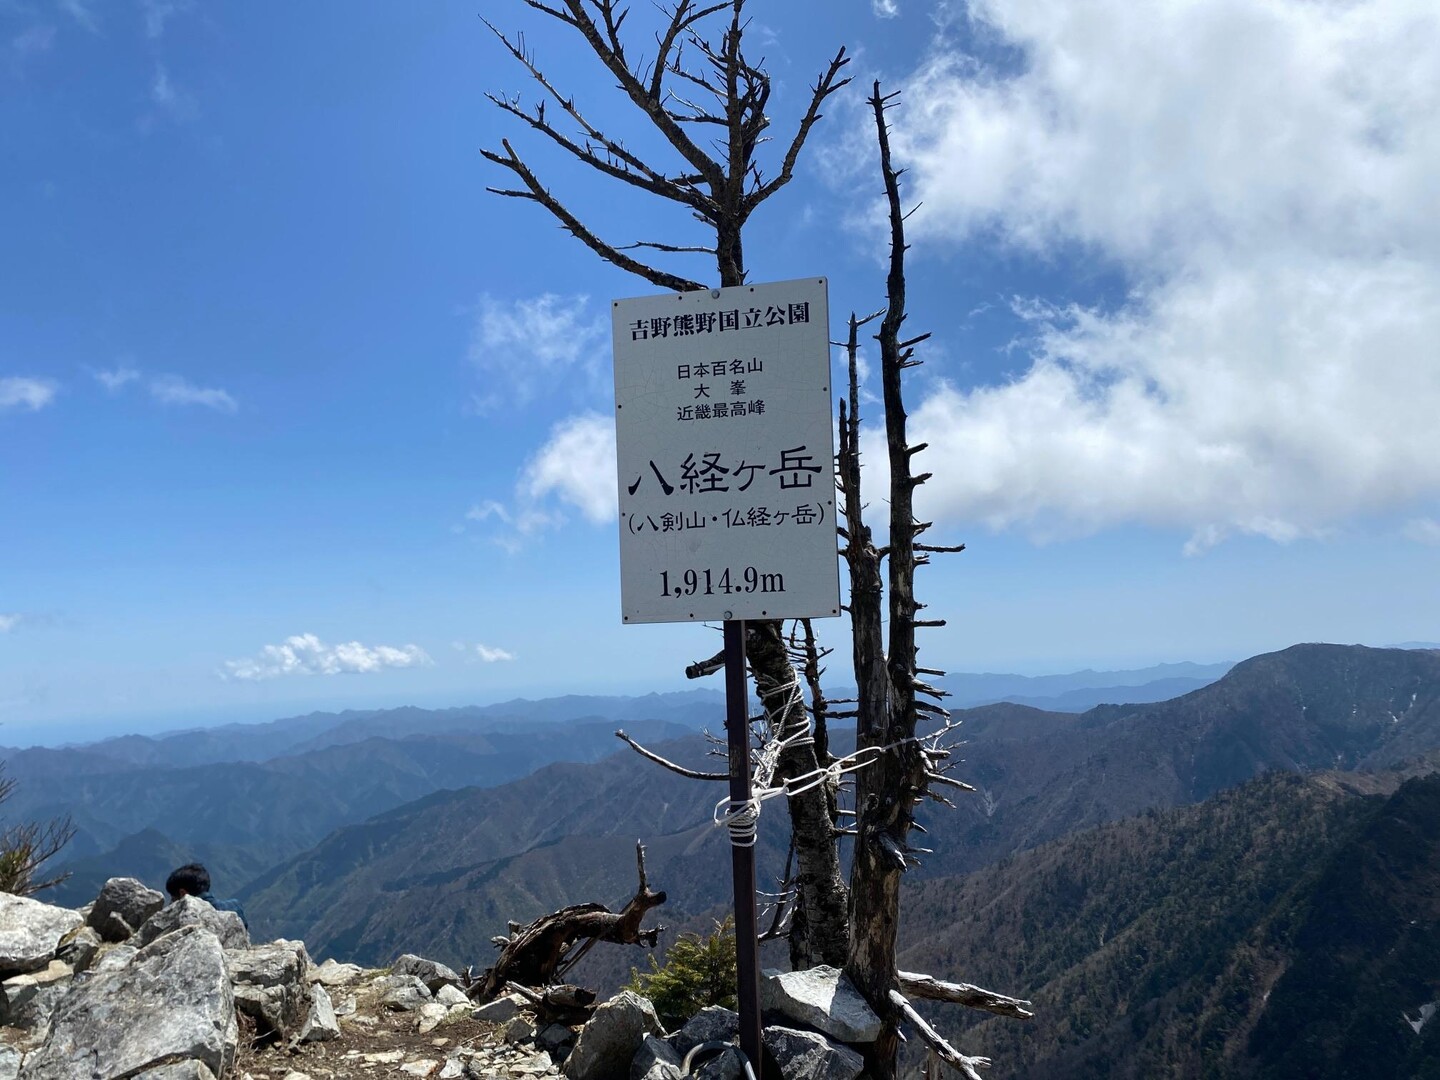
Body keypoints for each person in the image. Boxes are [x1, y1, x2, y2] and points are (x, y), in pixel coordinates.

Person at [165, 862, 249, 930]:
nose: (172, 903)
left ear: (183, 893)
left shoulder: (190, 919)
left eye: (173, 898)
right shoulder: (235, 905)